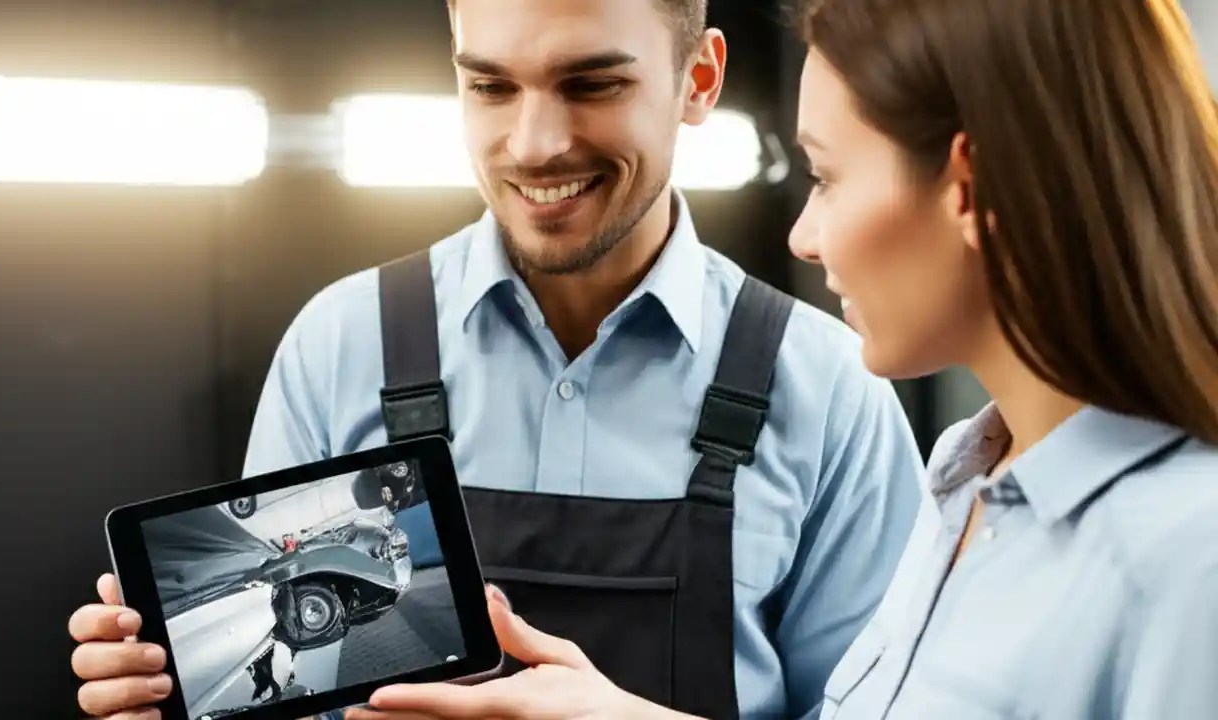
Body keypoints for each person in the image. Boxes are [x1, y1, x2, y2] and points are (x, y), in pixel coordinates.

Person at [342, 0, 1218, 717]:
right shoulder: (967, 485)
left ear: (968, 188)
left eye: (827, 178)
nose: (799, 235)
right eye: (490, 84)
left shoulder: (1189, 563)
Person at [65, 0, 927, 718]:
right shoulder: (339, 347)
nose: (534, 143)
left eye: (593, 83)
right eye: (490, 85)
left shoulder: (830, 392)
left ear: (696, 79)